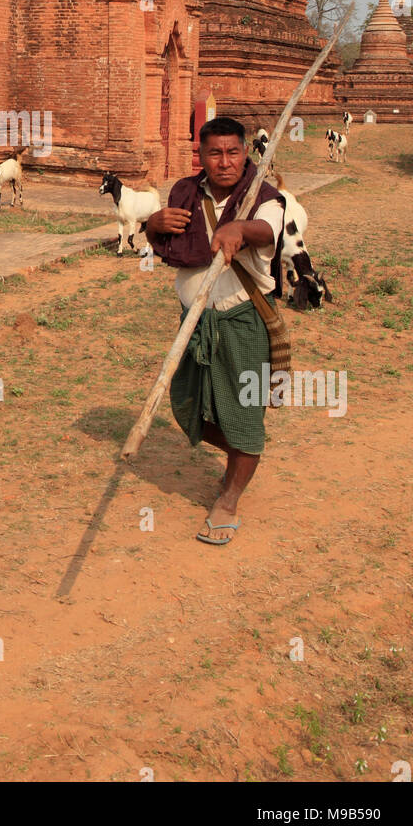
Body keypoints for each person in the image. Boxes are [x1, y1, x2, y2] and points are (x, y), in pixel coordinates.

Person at [145, 117, 285, 545]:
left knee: (243, 411)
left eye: (233, 152)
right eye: (214, 153)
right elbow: (165, 244)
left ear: (246, 153)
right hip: (194, 321)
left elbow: (267, 232)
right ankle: (245, 451)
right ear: (200, 155)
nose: (224, 162)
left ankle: (229, 497)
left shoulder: (266, 197)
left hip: (243, 321)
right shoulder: (185, 193)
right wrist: (152, 225)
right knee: (186, 404)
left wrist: (240, 227)